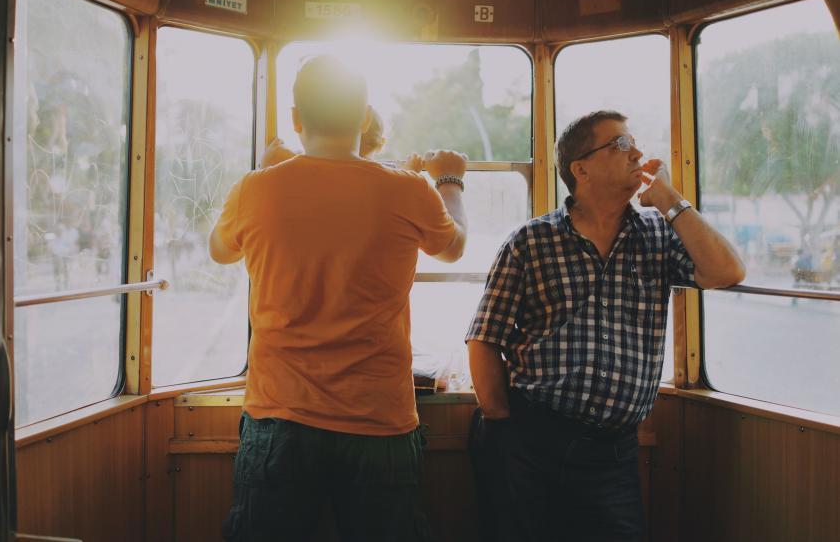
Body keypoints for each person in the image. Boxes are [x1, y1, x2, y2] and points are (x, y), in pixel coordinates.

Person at [209, 55, 468, 541]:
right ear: (365, 117)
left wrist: (269, 173)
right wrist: (450, 182)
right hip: (378, 420)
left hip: (279, 416)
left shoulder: (256, 189)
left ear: (295, 119)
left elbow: (220, 251)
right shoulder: (409, 190)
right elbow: (454, 247)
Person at [466, 110, 745, 542]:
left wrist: (670, 200)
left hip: (611, 451)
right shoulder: (530, 242)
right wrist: (504, 427)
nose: (636, 152)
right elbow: (485, 339)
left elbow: (726, 271)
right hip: (529, 437)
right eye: (619, 144)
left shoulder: (658, 234)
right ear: (581, 168)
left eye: (632, 141)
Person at [260, 104, 423, 170]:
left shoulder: (313, 172)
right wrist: (412, 174)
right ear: (381, 144)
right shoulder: (393, 177)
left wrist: (267, 168)